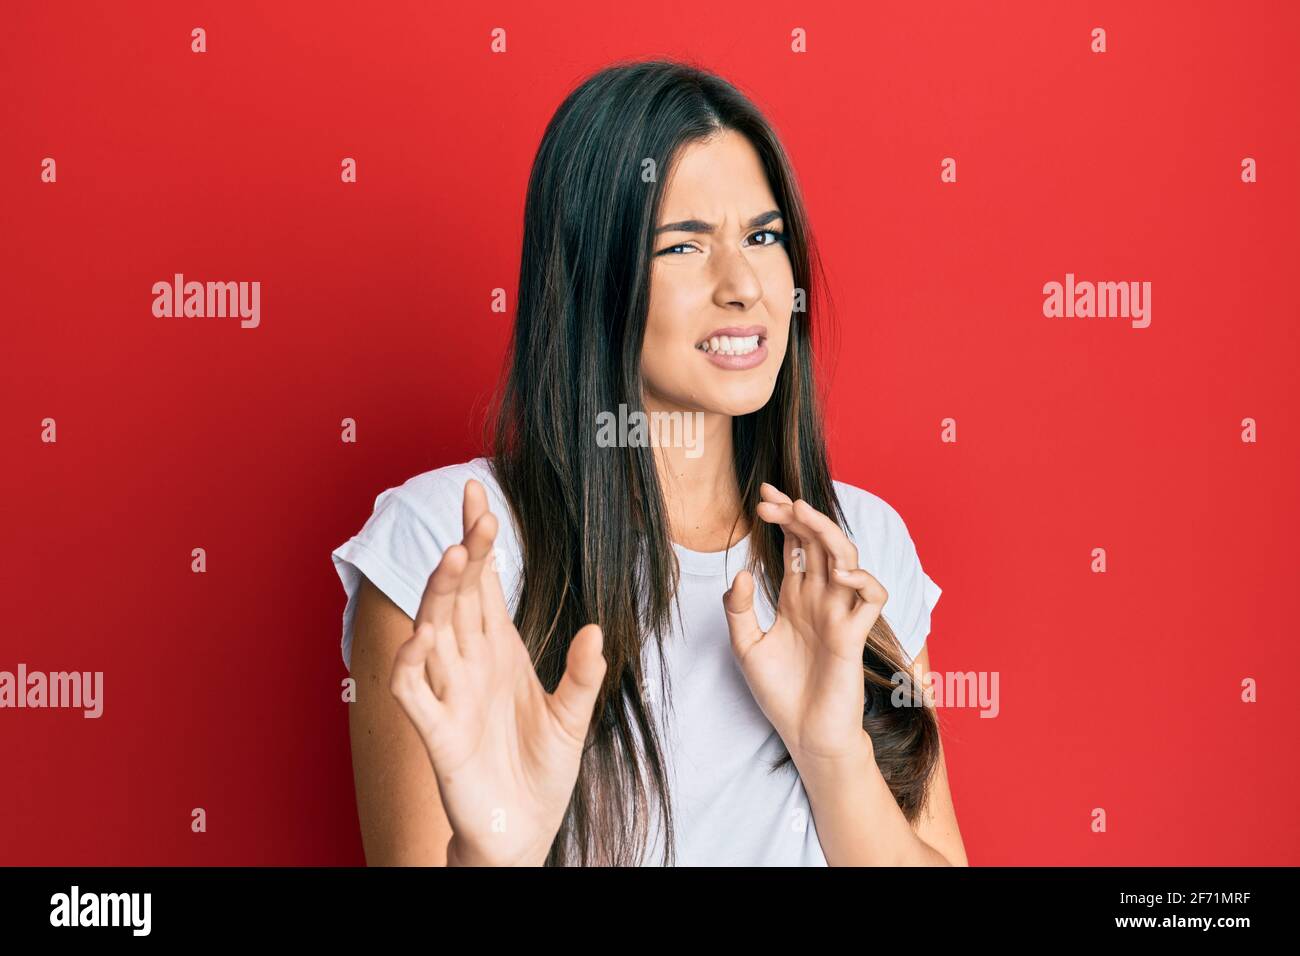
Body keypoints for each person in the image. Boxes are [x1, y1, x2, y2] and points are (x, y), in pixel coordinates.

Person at [331, 58, 967, 867]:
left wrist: (832, 753)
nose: (744, 286)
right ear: (593, 277)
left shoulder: (858, 547)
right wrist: (496, 854)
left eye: (764, 237)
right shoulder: (451, 546)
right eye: (683, 246)